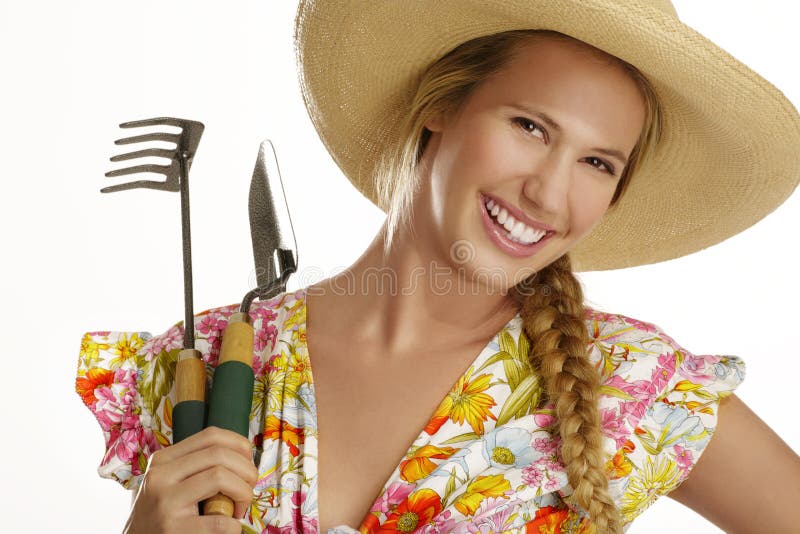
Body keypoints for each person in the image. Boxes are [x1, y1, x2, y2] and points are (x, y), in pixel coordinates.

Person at [75, 1, 800, 532]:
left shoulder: (632, 386)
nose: (548, 192)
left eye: (597, 162)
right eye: (529, 126)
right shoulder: (204, 365)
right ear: (442, 106)